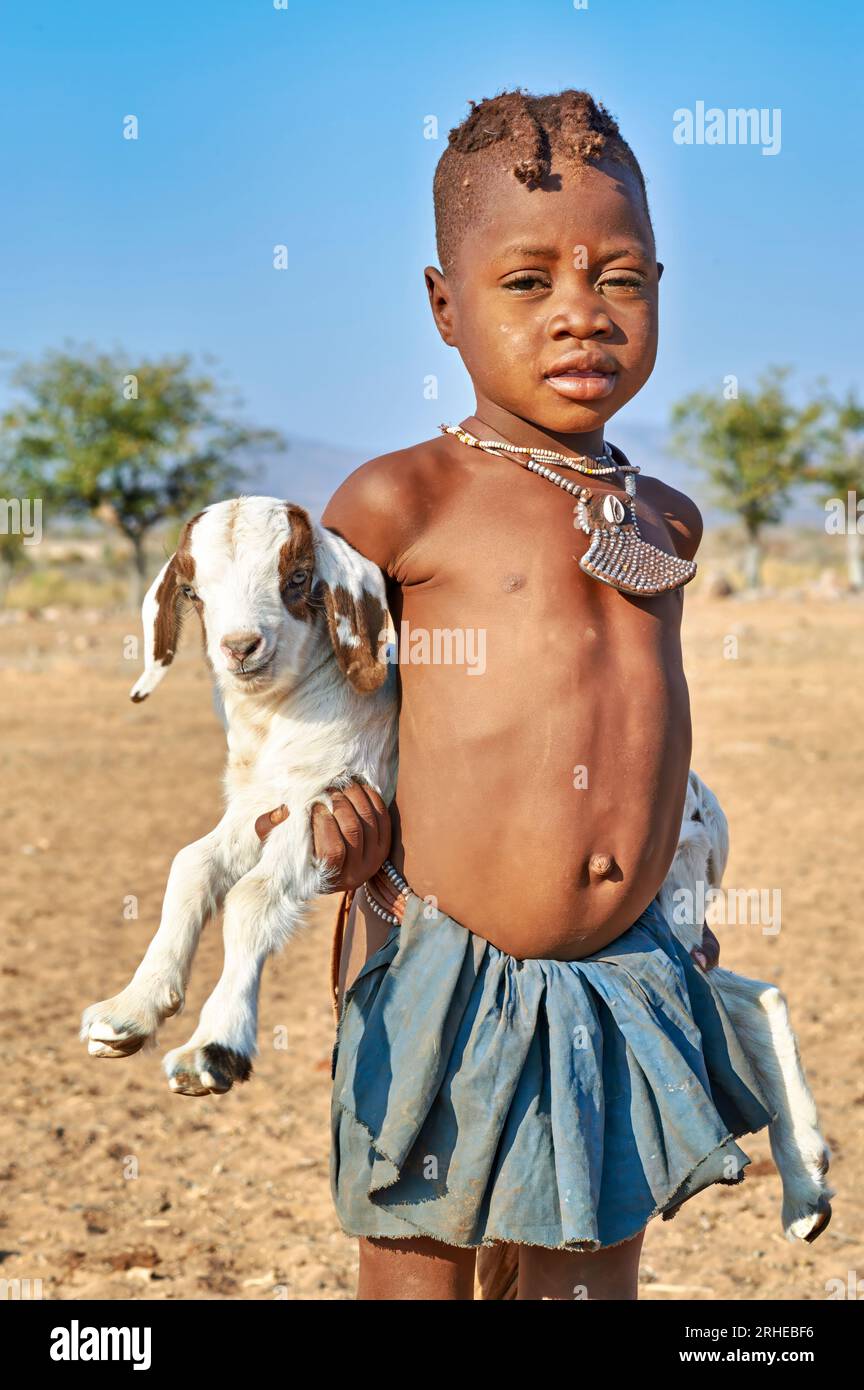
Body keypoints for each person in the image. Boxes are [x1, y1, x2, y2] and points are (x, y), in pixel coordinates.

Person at [258, 89, 772, 1300]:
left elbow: (648, 723)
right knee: (419, 1271)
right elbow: (307, 708)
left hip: (629, 965)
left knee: (588, 1274)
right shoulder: (403, 501)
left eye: (623, 280)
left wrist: (681, 881)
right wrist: (318, 811)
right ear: (445, 305)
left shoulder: (667, 519)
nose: (581, 315)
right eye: (528, 282)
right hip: (443, 958)